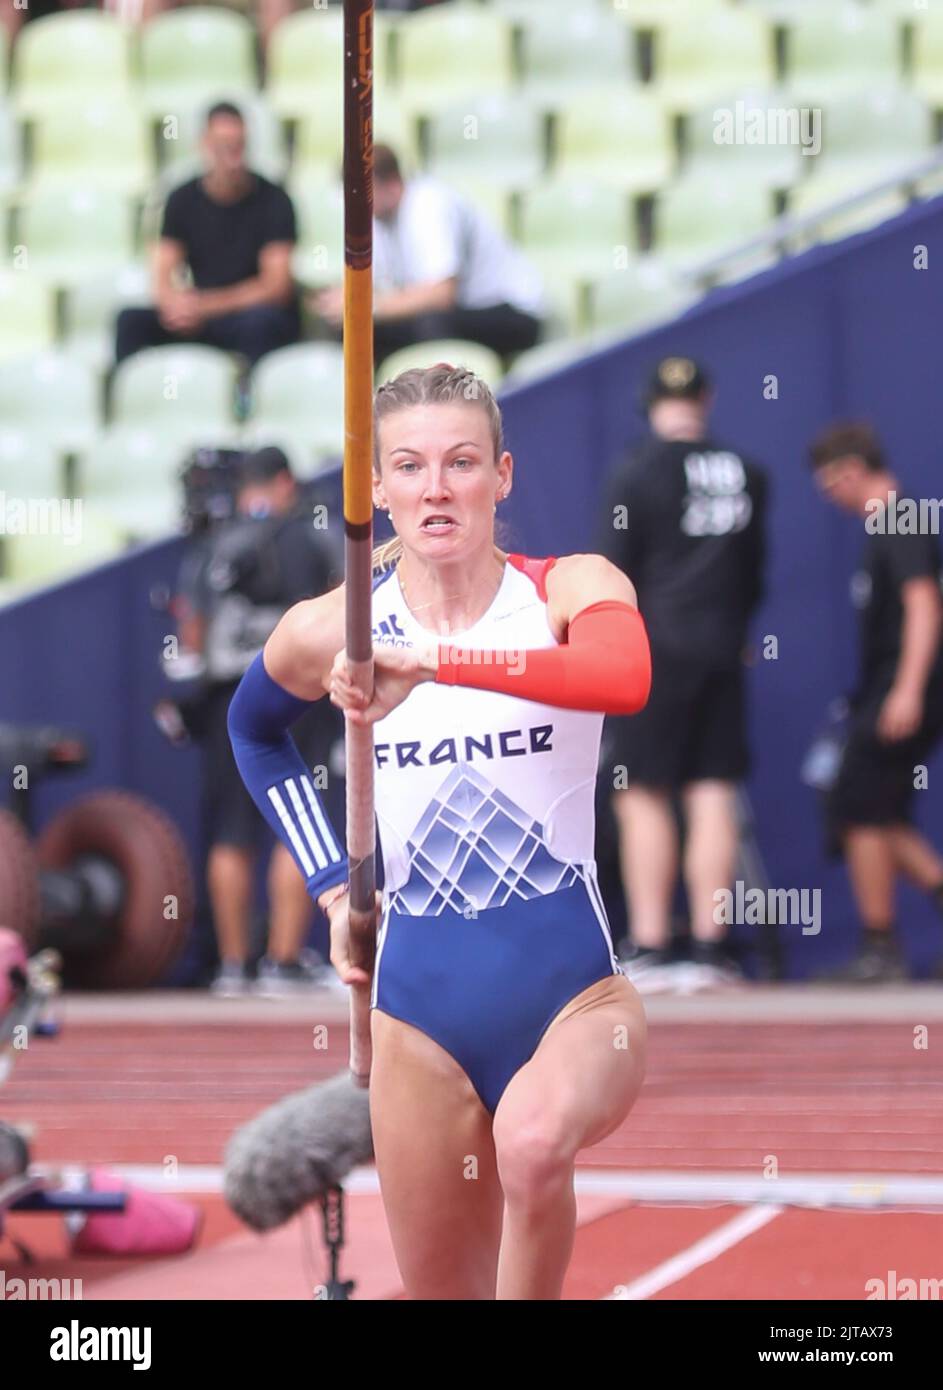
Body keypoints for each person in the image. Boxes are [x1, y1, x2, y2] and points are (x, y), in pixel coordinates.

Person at [227, 363, 652, 1299]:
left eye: (461, 463)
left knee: (535, 1144)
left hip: (576, 1006)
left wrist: (436, 663)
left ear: (501, 476)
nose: (436, 488)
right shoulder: (336, 629)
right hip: (416, 1023)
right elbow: (252, 730)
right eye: (410, 467)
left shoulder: (566, 588)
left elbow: (621, 678)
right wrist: (335, 888)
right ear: (374, 489)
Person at [600, 356, 768, 992]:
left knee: (642, 792)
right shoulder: (749, 473)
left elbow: (610, 575)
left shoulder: (636, 470)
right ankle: (710, 946)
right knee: (712, 789)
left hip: (654, 653)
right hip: (723, 650)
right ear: (709, 397)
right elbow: (754, 572)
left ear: (650, 403)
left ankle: (652, 942)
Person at [172, 446, 343, 996]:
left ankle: (231, 965)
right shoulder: (311, 536)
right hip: (296, 690)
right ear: (287, 482)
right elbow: (346, 608)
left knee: (231, 832)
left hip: (229, 697)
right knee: (297, 821)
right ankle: (284, 961)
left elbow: (190, 636)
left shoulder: (211, 544)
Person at [809, 422, 943, 983]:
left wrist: (908, 690)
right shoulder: (885, 527)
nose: (831, 499)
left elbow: (923, 606)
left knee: (861, 804)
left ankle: (880, 946)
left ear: (850, 472)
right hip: (889, 688)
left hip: (908, 688)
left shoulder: (902, 520)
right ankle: (883, 939)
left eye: (829, 487)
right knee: (869, 808)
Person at [311, 145, 545, 365]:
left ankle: (446, 401)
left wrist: (365, 305)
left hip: (511, 311)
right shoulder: (377, 220)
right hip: (457, 314)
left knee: (431, 323)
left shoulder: (430, 205)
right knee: (355, 329)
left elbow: (442, 295)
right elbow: (391, 291)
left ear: (392, 185)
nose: (356, 206)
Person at [115, 102, 300, 366]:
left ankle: (252, 400)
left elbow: (275, 287)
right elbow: (162, 268)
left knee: (263, 323)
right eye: (224, 146)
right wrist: (174, 305)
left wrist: (205, 306)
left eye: (239, 146)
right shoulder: (181, 199)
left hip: (243, 315)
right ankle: (132, 397)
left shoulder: (275, 200)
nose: (233, 157)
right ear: (205, 145)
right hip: (200, 316)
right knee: (130, 321)